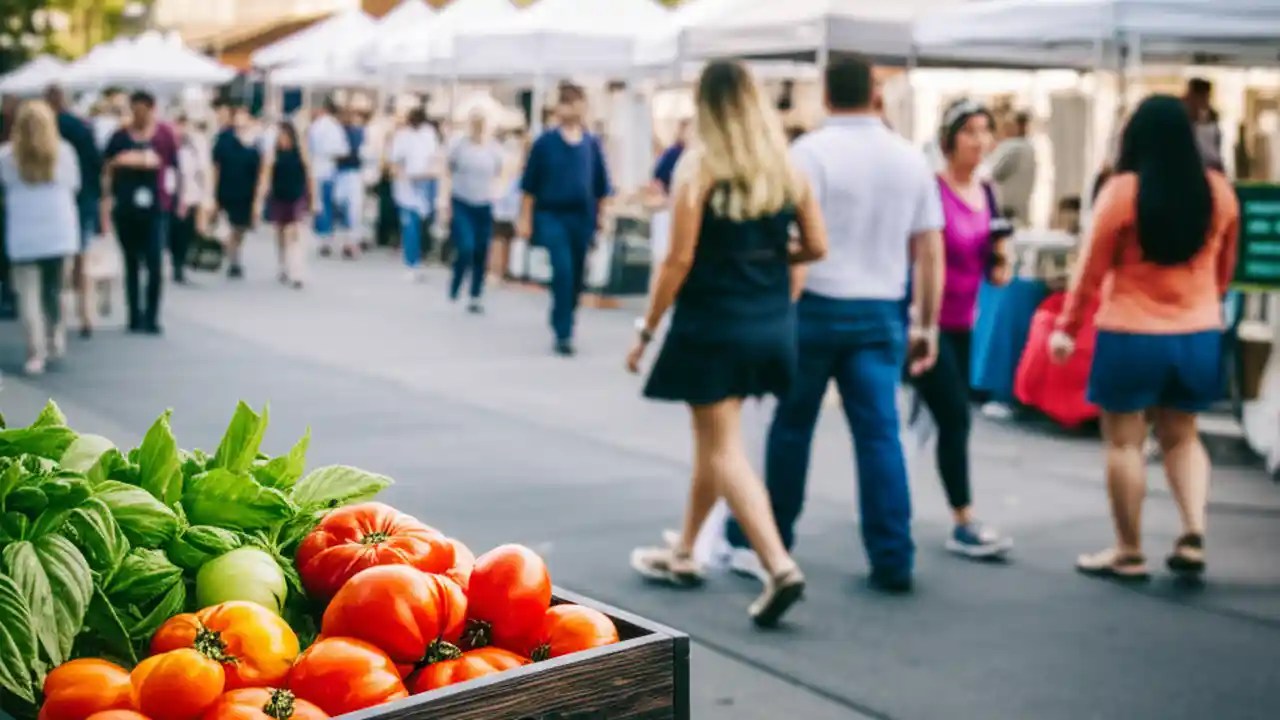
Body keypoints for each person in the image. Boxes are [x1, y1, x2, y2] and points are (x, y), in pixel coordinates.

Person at [723, 56, 946, 592]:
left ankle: (770, 547)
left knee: (792, 427)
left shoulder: (809, 154)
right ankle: (893, 557)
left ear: (825, 94)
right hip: (881, 311)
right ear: (875, 94)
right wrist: (928, 324)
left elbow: (788, 244)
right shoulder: (909, 158)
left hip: (816, 307)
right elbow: (930, 249)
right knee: (879, 435)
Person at [627, 60, 827, 627]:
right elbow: (816, 246)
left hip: (713, 323)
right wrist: (765, 260)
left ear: (708, 107)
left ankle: (779, 566)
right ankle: (686, 551)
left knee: (723, 448)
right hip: (770, 321)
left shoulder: (701, 166)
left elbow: (679, 258)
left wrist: (646, 329)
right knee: (714, 440)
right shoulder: (786, 168)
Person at [1050, 95, 1240, 582]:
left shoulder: (1121, 192)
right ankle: (1193, 532)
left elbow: (1089, 272)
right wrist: (1201, 304)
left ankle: (1129, 551)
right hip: (1197, 332)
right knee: (1183, 435)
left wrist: (1065, 329)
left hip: (1130, 334)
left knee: (1124, 444)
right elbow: (1225, 271)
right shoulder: (1219, 192)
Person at [908, 100, 1016, 560]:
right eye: (969, 131)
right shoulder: (931, 189)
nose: (979, 140)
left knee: (923, 421)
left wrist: (1002, 259)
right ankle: (963, 520)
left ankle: (890, 497)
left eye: (985, 131)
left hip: (963, 322)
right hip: (924, 322)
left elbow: (997, 264)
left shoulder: (988, 192)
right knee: (953, 416)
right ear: (950, 138)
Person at [518, 83, 612, 357]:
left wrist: (602, 218)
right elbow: (529, 187)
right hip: (552, 214)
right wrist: (525, 219)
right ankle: (563, 331)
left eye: (575, 103)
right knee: (563, 269)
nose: (571, 109)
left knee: (578, 275)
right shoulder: (545, 143)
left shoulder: (592, 144)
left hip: (582, 218)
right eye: (565, 103)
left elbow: (601, 186)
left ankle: (565, 311)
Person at [0, 100, 81, 374]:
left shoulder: (7, 157)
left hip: (23, 234)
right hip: (59, 231)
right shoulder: (65, 153)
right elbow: (75, 185)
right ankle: (55, 337)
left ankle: (35, 352)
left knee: (28, 296)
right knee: (56, 290)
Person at [103, 90, 178, 335]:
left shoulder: (165, 135)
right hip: (126, 206)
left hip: (155, 206)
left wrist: (175, 200)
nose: (139, 115)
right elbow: (106, 166)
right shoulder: (120, 136)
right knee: (131, 262)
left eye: (144, 110)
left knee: (155, 262)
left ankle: (152, 315)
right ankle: (134, 314)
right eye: (135, 110)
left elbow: (174, 168)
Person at [46, 85, 102, 338]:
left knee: (59, 265)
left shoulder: (44, 130)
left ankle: (58, 318)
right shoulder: (82, 127)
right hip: (84, 198)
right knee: (82, 259)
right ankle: (86, 314)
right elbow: (96, 164)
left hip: (55, 201)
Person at [447, 109, 503, 313]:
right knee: (466, 246)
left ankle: (475, 294)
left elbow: (500, 172)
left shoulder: (494, 148)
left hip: (484, 203)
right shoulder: (460, 146)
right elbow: (449, 169)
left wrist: (497, 195)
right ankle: (457, 279)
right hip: (462, 200)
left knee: (481, 249)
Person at [258, 121, 312, 289]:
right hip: (279, 196)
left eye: (286, 137)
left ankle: (296, 270)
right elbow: (265, 178)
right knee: (280, 232)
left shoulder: (301, 153)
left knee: (293, 232)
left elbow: (311, 176)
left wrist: (314, 200)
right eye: (280, 137)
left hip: (296, 195)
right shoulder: (273, 155)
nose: (283, 140)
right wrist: (259, 201)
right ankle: (283, 264)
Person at [211, 103, 262, 278]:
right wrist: (213, 192)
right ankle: (234, 262)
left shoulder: (254, 140)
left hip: (246, 191)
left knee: (240, 228)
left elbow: (261, 168)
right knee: (227, 227)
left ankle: (234, 255)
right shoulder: (224, 138)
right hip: (226, 188)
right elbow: (216, 166)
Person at [389, 108, 438, 281]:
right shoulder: (402, 136)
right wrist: (404, 176)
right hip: (407, 185)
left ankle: (420, 257)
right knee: (410, 225)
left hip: (426, 182)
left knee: (424, 223)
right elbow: (395, 162)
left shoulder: (429, 134)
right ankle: (411, 262)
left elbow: (434, 158)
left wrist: (431, 174)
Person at [307, 98, 351, 258]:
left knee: (319, 204)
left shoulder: (316, 126)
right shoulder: (334, 127)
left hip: (316, 168)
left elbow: (309, 147)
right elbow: (342, 150)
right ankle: (328, 237)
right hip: (329, 169)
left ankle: (323, 238)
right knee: (327, 203)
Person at [172, 114, 212, 284]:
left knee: (186, 231)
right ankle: (176, 262)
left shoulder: (196, 145)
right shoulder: (170, 144)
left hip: (191, 196)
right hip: (171, 196)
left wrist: (207, 197)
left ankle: (181, 263)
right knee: (174, 232)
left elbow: (204, 171)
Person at [988, 110, 1037, 225]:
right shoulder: (1029, 147)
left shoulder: (1013, 147)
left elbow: (994, 173)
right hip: (1021, 207)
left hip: (1006, 207)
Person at [333, 108, 367, 259]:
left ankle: (351, 243)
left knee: (353, 209)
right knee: (343, 206)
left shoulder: (359, 132)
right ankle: (348, 241)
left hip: (353, 172)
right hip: (341, 172)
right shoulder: (338, 132)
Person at [1184, 78, 1224, 171]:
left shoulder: (1212, 116)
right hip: (1195, 164)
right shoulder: (1186, 117)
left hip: (1211, 164)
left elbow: (1216, 142)